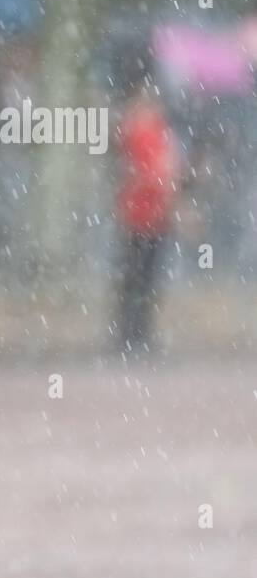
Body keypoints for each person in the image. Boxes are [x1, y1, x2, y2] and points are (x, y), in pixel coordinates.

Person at [112, 42, 178, 356]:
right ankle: (132, 335)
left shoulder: (143, 125)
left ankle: (135, 334)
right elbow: (152, 173)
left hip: (149, 212)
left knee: (141, 279)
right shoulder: (140, 126)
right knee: (139, 279)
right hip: (143, 212)